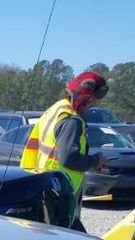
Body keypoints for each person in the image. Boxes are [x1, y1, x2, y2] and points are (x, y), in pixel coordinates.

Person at [20, 71, 109, 231]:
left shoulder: (56, 110)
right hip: (59, 191)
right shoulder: (71, 121)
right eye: (93, 101)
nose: (93, 105)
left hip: (42, 186)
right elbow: (69, 158)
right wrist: (95, 160)